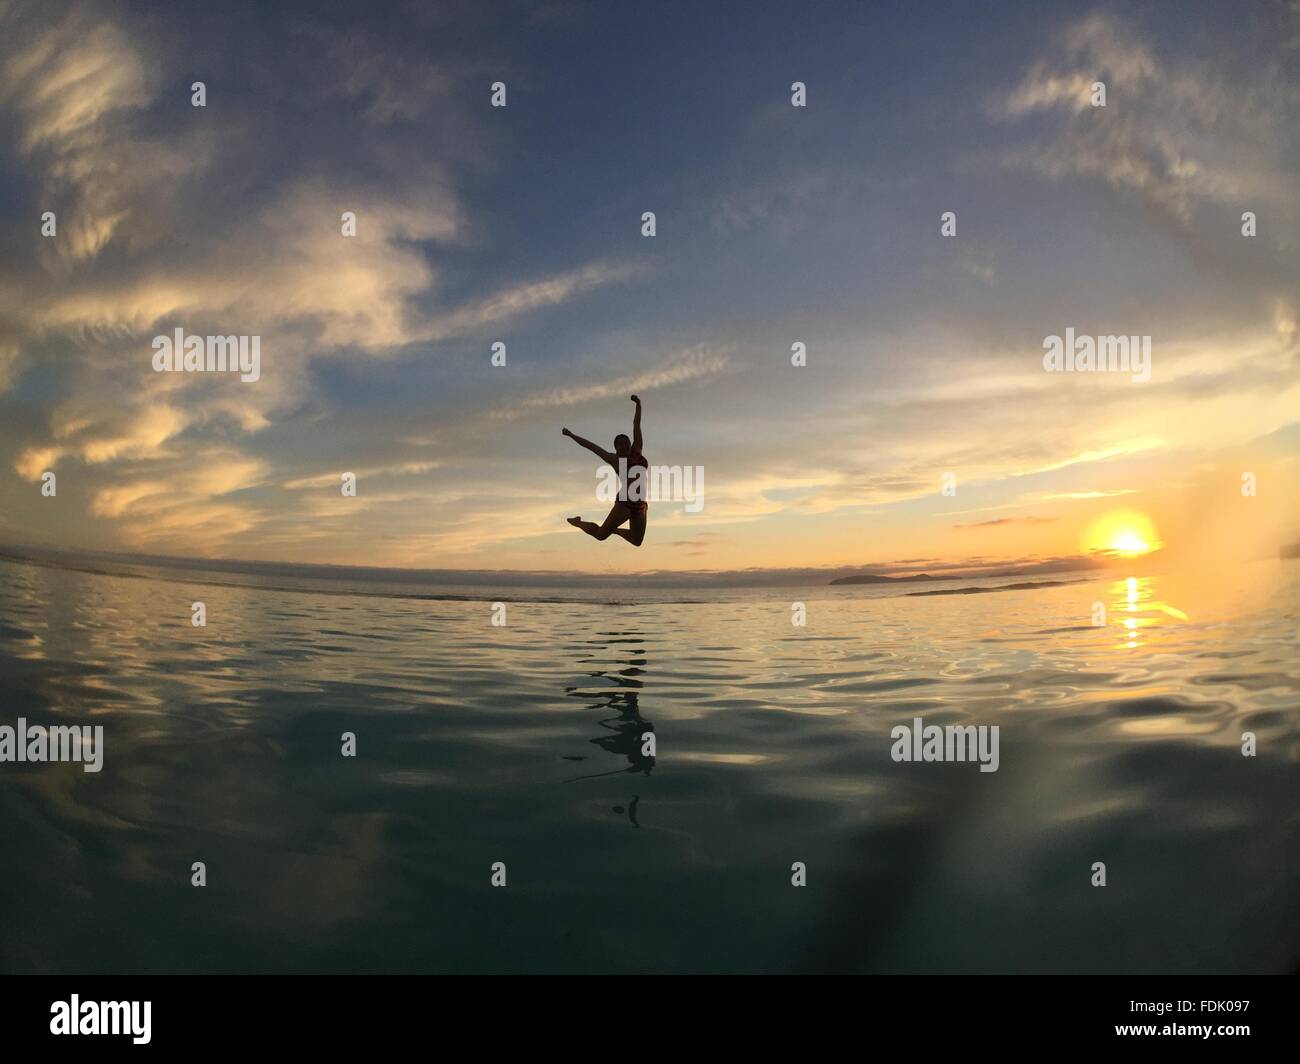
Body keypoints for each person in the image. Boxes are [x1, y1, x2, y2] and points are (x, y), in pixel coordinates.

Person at [562, 394, 648, 546]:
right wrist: (571, 435)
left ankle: (613, 530)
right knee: (601, 535)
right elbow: (590, 446)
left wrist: (638, 405)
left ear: (630, 444)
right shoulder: (615, 460)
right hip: (625, 503)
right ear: (615, 449)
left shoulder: (637, 450)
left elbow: (636, 424)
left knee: (637, 541)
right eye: (619, 445)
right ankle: (578, 523)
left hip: (640, 505)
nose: (623, 446)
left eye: (625, 443)